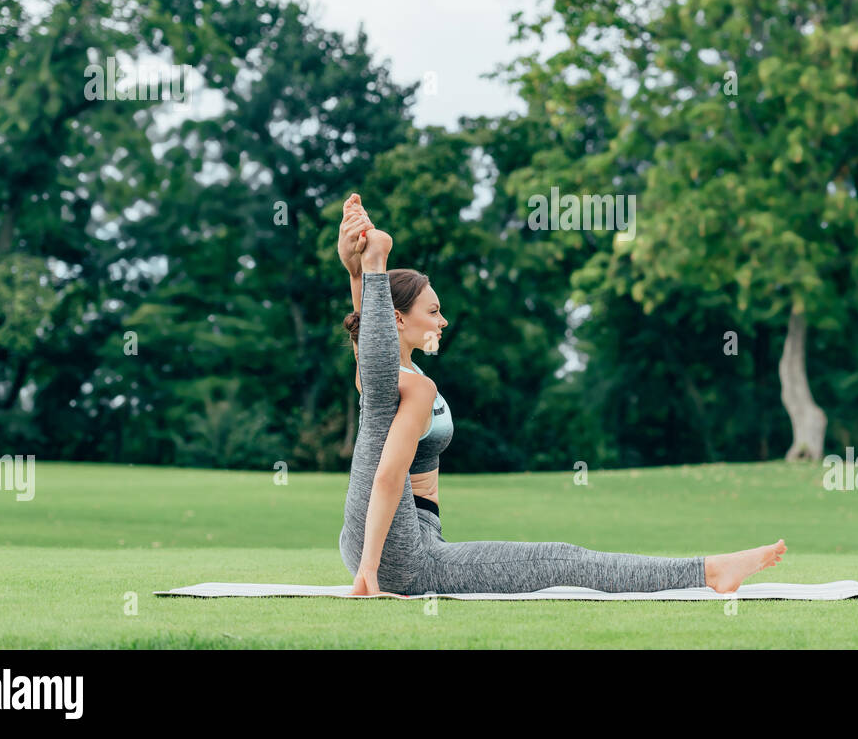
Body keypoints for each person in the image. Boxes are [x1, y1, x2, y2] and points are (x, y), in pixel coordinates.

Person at [334, 194, 786, 596]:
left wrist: (356, 270)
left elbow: (368, 342)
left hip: (404, 538)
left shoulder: (392, 376)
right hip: (404, 556)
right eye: (433, 311)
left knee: (374, 395)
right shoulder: (414, 385)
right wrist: (370, 572)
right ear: (397, 319)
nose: (444, 321)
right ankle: (707, 571)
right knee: (560, 558)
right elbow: (388, 475)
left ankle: (708, 570)